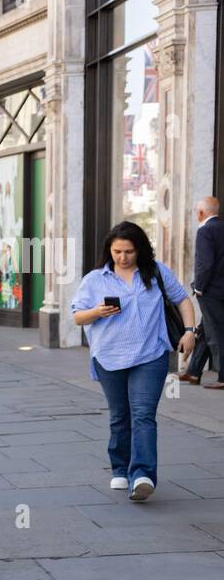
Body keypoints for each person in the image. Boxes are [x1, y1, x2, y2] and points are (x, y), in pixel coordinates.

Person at [71, 220, 198, 502]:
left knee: (143, 414)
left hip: (150, 355)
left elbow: (183, 300)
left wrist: (190, 331)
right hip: (109, 356)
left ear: (139, 250)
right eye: (117, 251)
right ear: (109, 250)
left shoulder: (155, 273)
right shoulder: (95, 279)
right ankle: (120, 466)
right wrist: (97, 312)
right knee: (120, 416)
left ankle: (141, 475)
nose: (123, 257)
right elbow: (77, 316)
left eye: (129, 251)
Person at [186, 196, 224, 389]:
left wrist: (199, 287)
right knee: (206, 329)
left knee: (215, 333)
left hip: (210, 290)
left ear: (201, 213)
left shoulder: (205, 230)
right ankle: (193, 372)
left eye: (196, 212)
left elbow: (206, 263)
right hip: (220, 289)